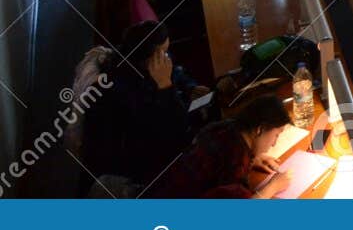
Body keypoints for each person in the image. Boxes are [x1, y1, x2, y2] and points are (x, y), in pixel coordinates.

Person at [81, 20, 197, 185]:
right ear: (146, 58)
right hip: (138, 166)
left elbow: (175, 72)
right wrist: (165, 87)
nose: (167, 59)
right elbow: (176, 133)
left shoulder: (142, 60)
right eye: (163, 53)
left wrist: (190, 87)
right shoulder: (119, 92)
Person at [149, 94, 293, 198]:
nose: (274, 143)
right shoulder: (234, 160)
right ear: (260, 129)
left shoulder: (228, 127)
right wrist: (273, 187)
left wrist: (253, 158)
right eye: (276, 135)